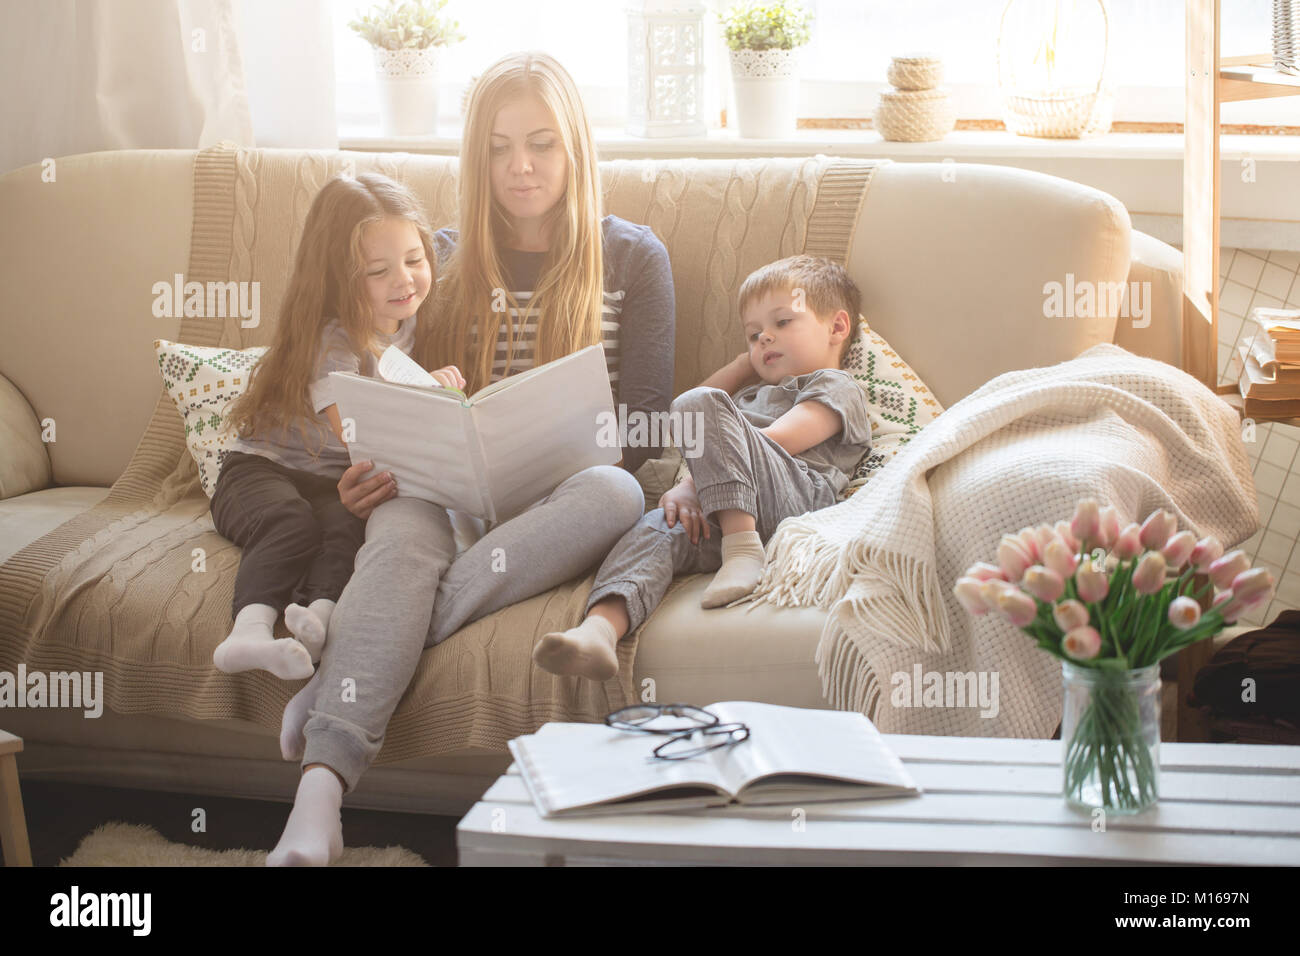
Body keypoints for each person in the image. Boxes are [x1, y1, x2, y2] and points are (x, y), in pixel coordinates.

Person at [267, 51, 676, 866]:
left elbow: (647, 426)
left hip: (565, 496)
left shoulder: (632, 257)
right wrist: (369, 467)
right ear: (475, 155)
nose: (519, 167)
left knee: (614, 492)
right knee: (400, 523)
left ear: (576, 149)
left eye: (541, 144)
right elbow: (399, 389)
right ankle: (316, 803)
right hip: (448, 493)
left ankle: (348, 657)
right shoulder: (440, 259)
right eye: (498, 148)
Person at [534, 255, 872, 682]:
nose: (764, 338)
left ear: (837, 328)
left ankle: (743, 550)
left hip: (794, 497)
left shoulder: (836, 386)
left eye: (783, 323)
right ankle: (599, 631)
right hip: (729, 506)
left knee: (697, 406)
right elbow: (687, 418)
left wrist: (695, 482)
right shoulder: (750, 398)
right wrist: (744, 366)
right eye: (753, 335)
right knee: (658, 527)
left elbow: (780, 439)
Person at [209, 173, 460, 681]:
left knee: (353, 529)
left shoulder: (411, 323)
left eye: (415, 260)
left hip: (330, 482)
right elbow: (357, 428)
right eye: (378, 271)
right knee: (291, 523)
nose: (405, 280)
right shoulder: (334, 341)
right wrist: (424, 391)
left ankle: (317, 621)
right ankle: (248, 633)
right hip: (259, 469)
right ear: (338, 278)